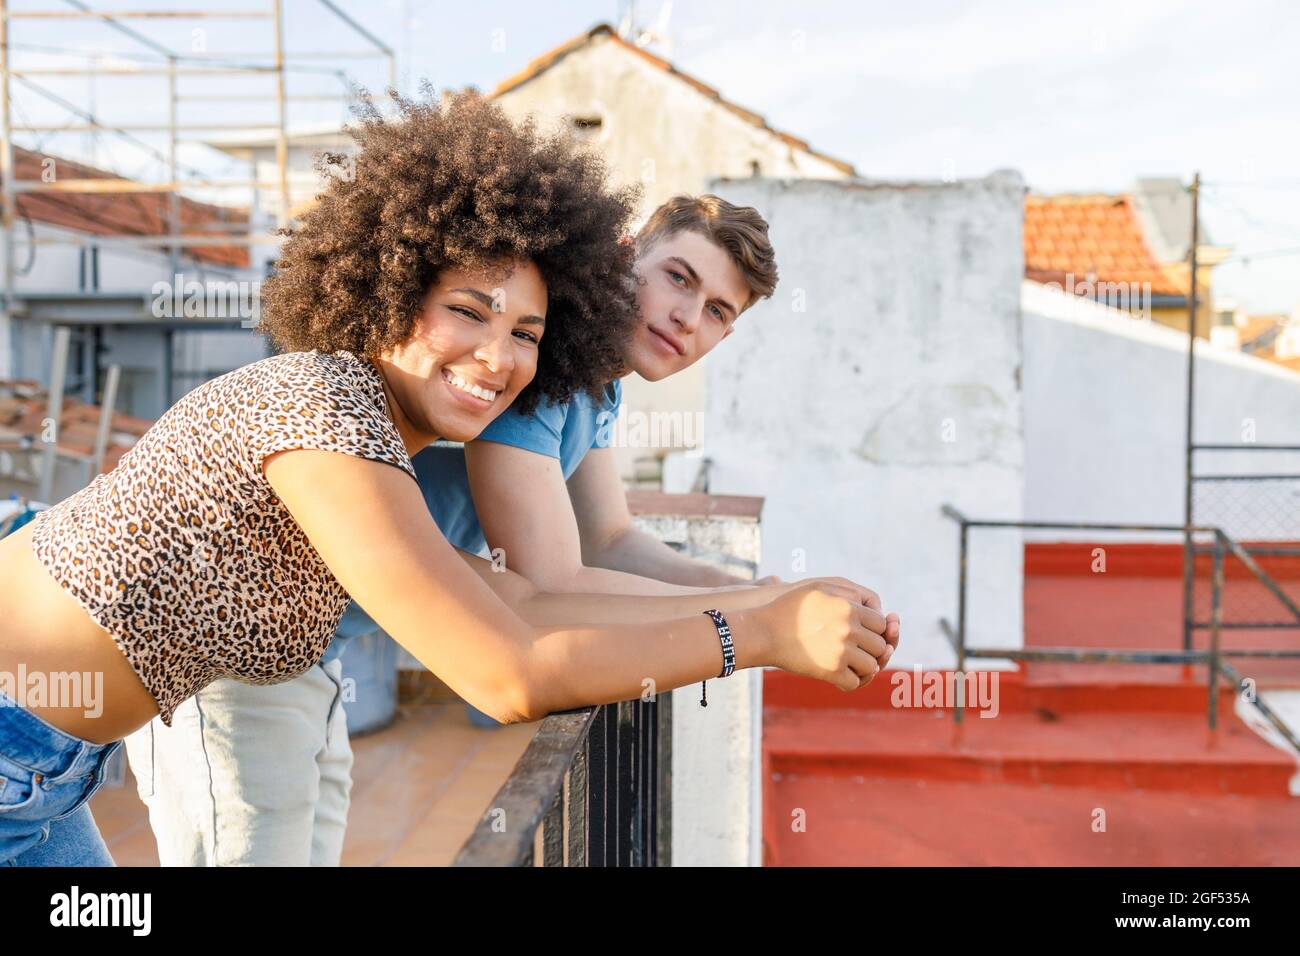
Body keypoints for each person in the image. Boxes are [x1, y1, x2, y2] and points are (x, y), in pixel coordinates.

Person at [0, 90, 896, 867]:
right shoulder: (325, 416)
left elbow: (532, 599)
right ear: (388, 287)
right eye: (468, 311)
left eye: (527, 335)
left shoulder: (388, 450)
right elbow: (507, 669)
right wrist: (765, 632)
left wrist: (771, 601)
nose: (497, 358)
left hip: (52, 781)